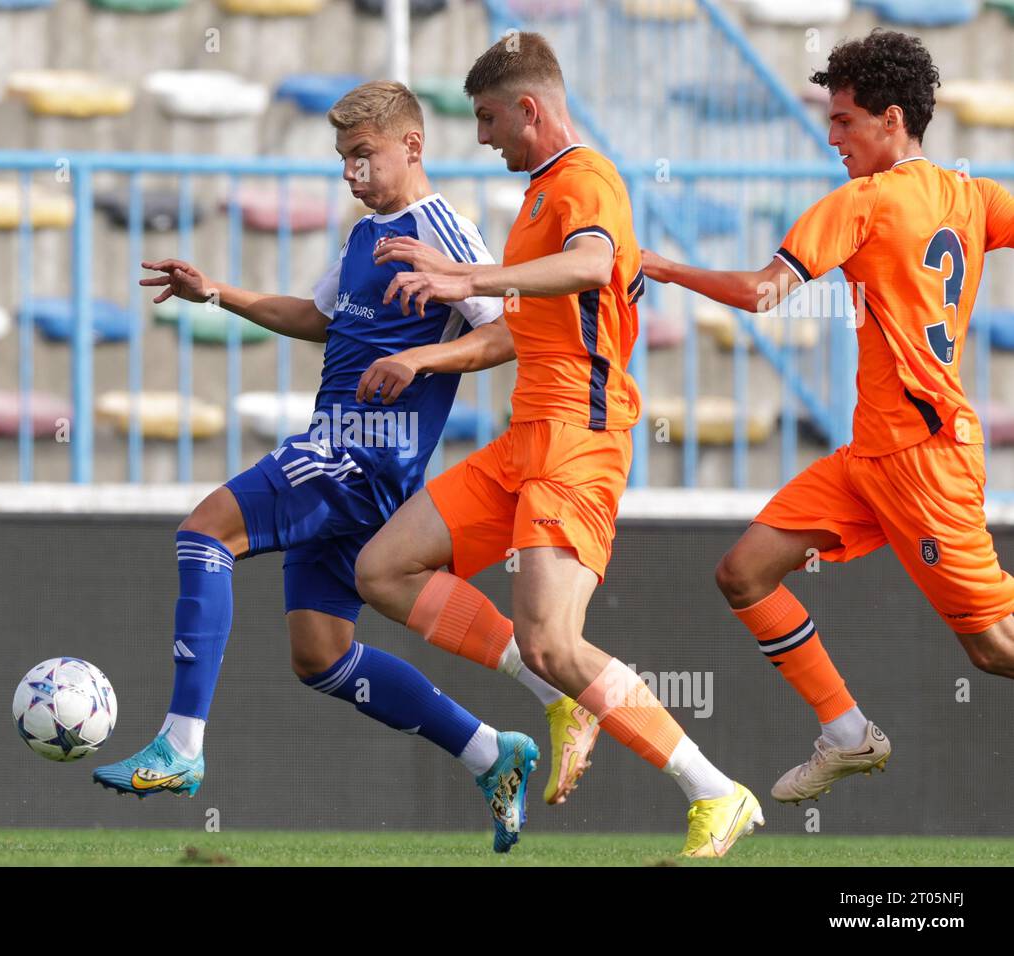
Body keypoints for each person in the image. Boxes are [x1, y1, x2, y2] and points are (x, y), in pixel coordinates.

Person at [92, 80, 590, 852]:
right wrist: (216, 292)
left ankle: (182, 747)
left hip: (360, 457)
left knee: (203, 536)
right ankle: (490, 751)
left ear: (413, 146)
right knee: (319, 655)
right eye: (342, 159)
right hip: (338, 447)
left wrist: (421, 358)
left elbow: (511, 335)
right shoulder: (366, 234)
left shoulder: (444, 228)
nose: (351, 173)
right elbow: (317, 318)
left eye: (363, 155)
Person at [356, 33, 761, 858]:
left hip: (580, 439)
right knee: (383, 569)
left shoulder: (586, 180)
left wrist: (464, 278)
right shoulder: (542, 194)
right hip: (524, 440)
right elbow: (526, 328)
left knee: (555, 640)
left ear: (529, 109)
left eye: (488, 118)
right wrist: (426, 354)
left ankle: (716, 791)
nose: (481, 136)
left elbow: (590, 266)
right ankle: (559, 696)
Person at [640, 30, 1014, 804]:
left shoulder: (864, 202)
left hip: (923, 459)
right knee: (743, 573)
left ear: (891, 119)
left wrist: (658, 264)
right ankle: (848, 734)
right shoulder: (974, 197)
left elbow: (759, 292)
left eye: (845, 121)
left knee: (993, 647)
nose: (832, 136)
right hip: (870, 457)